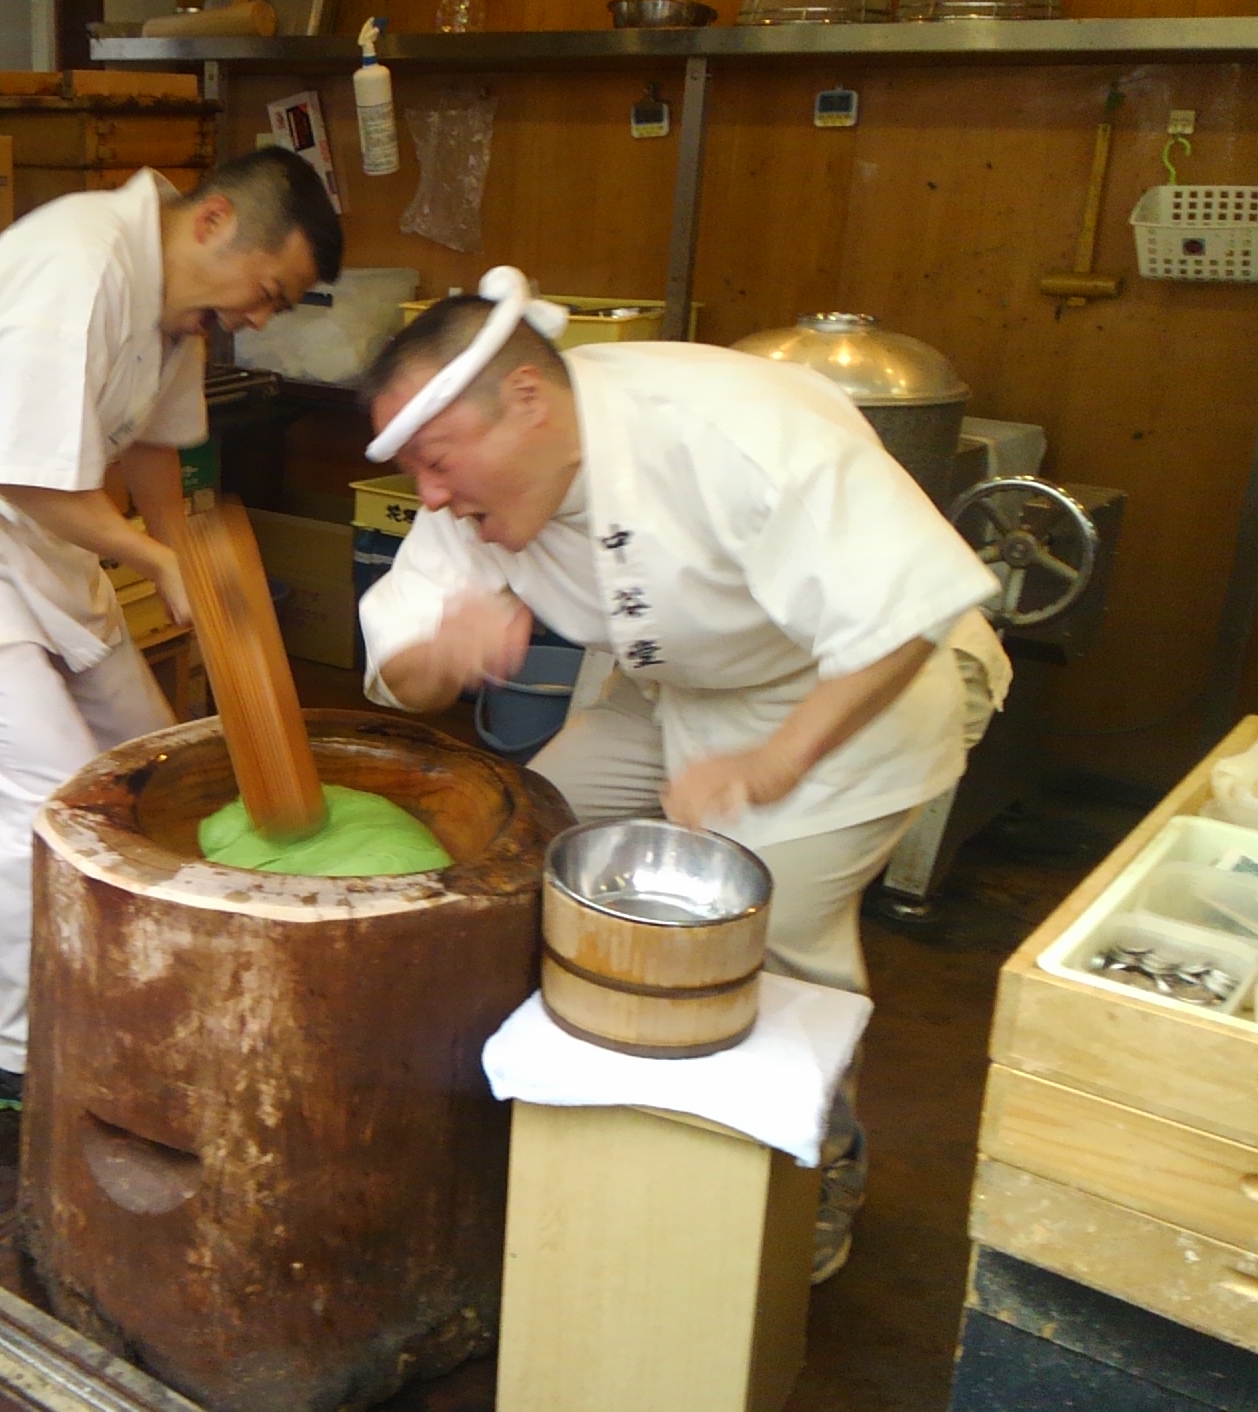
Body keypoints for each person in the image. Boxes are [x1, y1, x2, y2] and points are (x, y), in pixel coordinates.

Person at [353, 271, 1010, 1284]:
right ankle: (585, 1108)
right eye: (413, 473)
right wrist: (445, 650)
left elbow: (899, 616)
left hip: (850, 694)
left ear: (525, 399)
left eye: (435, 464)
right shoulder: (470, 482)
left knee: (770, 929)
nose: (429, 497)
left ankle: (820, 1164)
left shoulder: (724, 427)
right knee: (540, 829)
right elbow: (400, 668)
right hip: (677, 691)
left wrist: (770, 763)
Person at [0, 148, 344, 1112]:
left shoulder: (180, 309)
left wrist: (193, 563)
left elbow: (157, 450)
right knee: (47, 809)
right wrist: (156, 560)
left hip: (49, 552)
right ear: (215, 220)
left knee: (155, 763)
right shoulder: (81, 262)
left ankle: (137, 973)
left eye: (275, 308)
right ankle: (9, 1058)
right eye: (266, 293)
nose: (259, 320)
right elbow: (24, 474)